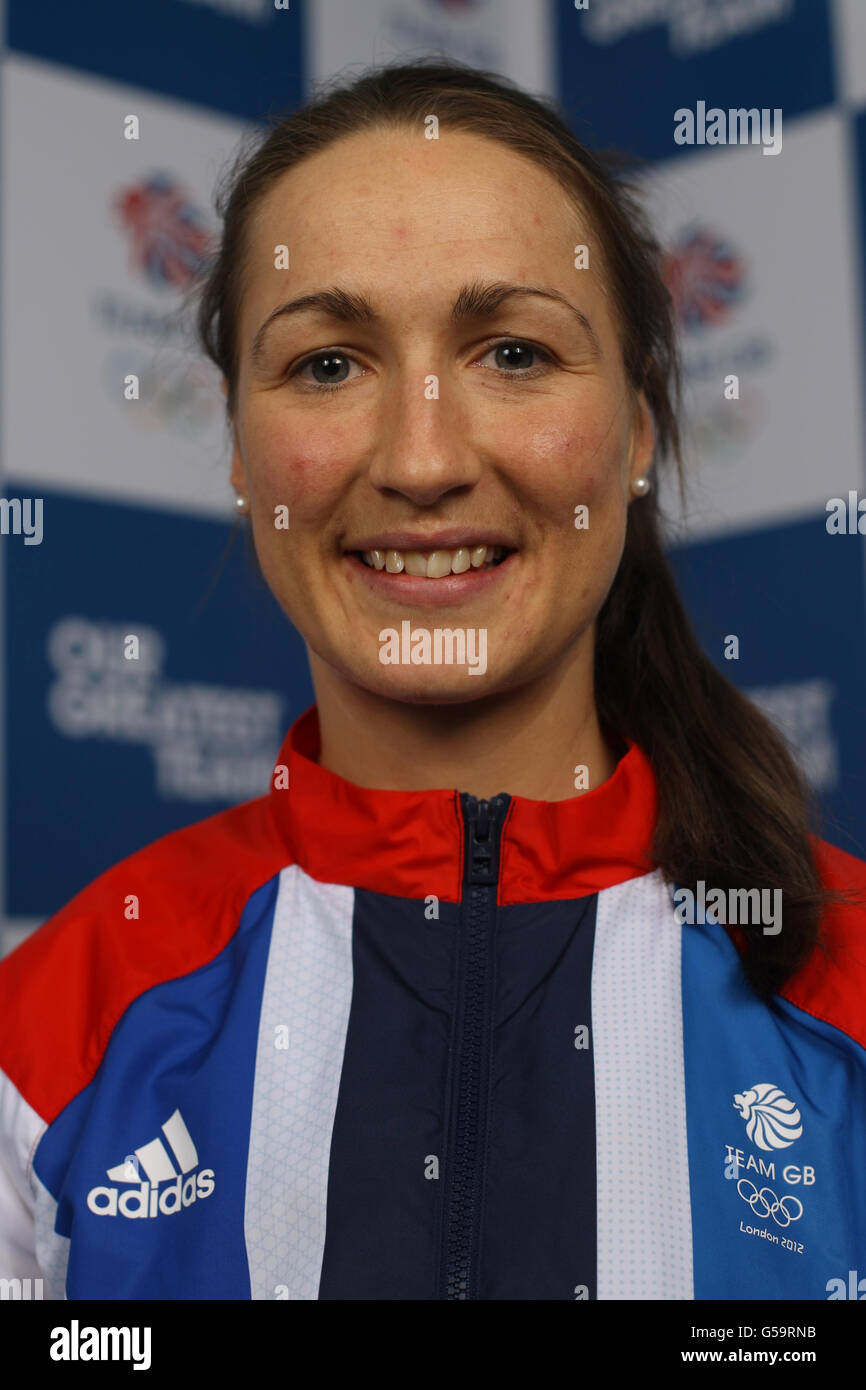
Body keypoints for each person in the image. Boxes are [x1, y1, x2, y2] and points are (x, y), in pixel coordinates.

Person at [1, 57, 864, 1302]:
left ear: (639, 433)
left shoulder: (839, 979)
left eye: (511, 351)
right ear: (241, 447)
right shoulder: (54, 1033)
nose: (419, 459)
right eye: (327, 364)